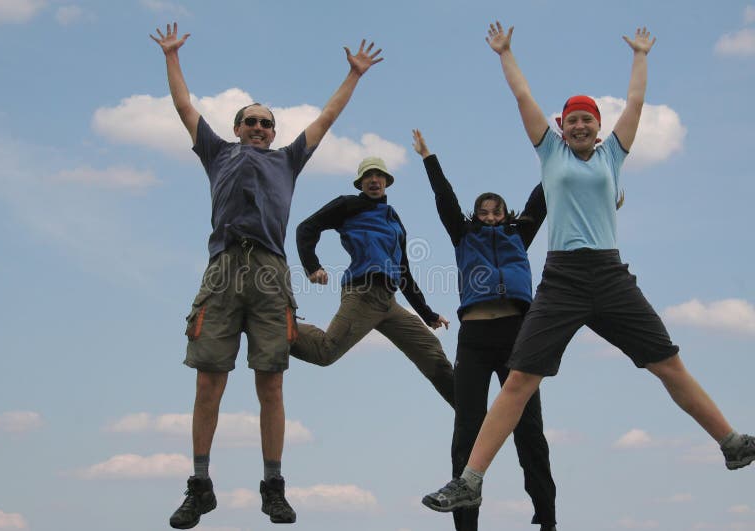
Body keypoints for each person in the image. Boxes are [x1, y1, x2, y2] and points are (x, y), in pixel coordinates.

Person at [422, 21, 755, 515]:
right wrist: (505, 53)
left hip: (609, 276)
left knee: (667, 363)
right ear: (562, 127)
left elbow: (636, 104)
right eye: (572, 120)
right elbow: (522, 97)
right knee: (519, 381)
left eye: (588, 120)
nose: (580, 126)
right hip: (562, 281)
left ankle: (731, 442)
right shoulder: (549, 151)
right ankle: (470, 480)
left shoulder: (613, 156)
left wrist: (640, 55)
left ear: (599, 128)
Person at [149, 22, 383, 529]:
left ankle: (273, 486)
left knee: (270, 384)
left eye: (266, 124)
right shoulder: (217, 154)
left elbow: (325, 119)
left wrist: (353, 75)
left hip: (270, 273)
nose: (258, 128)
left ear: (273, 133)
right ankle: (200, 486)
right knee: (209, 382)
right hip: (224, 269)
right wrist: (172, 57)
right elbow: (185, 108)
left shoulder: (287, 161)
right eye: (250, 122)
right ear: (236, 129)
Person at [412, 129, 556, 530]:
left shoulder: (518, 234)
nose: (490, 217)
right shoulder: (464, 235)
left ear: (506, 215)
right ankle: (466, 526)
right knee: (467, 429)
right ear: (475, 217)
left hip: (517, 337)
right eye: (484, 212)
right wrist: (429, 158)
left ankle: (547, 519)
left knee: (530, 430)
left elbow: (540, 198)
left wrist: (557, 155)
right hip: (474, 340)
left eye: (497, 212)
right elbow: (445, 200)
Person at [291, 156, 455, 406]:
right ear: (360, 183)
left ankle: (470, 416)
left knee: (431, 351)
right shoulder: (349, 205)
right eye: (368, 176)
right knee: (325, 351)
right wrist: (312, 265)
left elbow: (404, 271)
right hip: (363, 293)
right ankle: (274, 323)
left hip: (389, 302)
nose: (374, 180)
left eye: (379, 176)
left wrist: (427, 314)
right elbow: (307, 228)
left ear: (387, 181)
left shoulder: (393, 219)